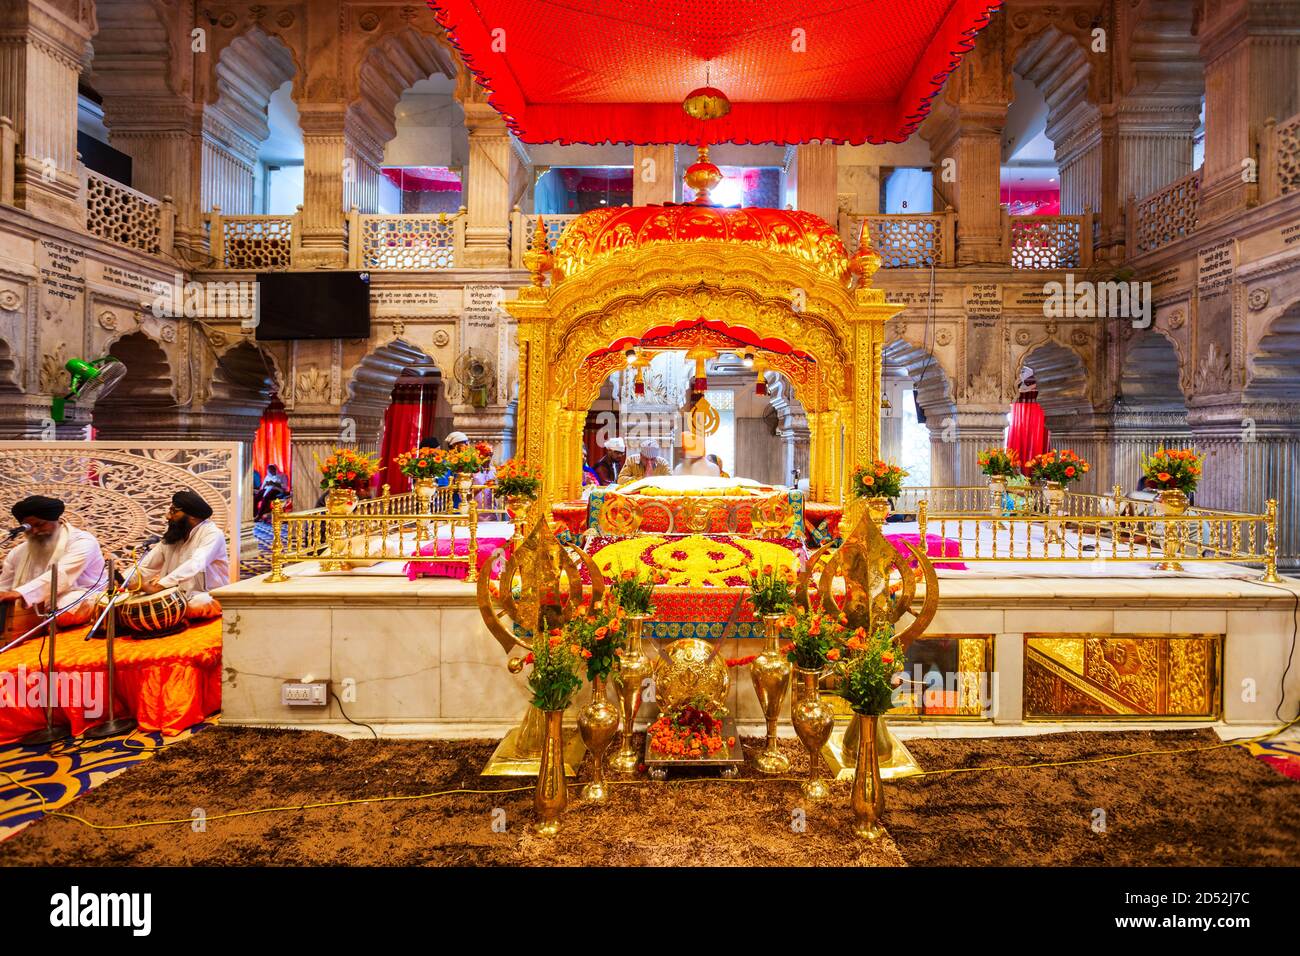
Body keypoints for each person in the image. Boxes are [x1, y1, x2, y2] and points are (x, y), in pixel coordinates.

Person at [0, 496, 105, 628]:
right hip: (31, 607)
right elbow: (4, 587)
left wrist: (20, 593)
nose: (35, 531)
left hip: (79, 597)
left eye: (40, 524)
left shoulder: (82, 541)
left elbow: (61, 574)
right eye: (28, 528)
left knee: (65, 606)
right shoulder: (17, 553)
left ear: (55, 520)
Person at [131, 491, 229, 621]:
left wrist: (160, 585)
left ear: (193, 516)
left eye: (173, 511)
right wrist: (122, 582)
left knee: (200, 603)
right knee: (136, 602)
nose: (167, 516)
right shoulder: (174, 536)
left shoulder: (212, 534)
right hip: (174, 598)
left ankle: (172, 614)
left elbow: (196, 563)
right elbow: (146, 567)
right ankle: (173, 614)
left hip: (205, 595)